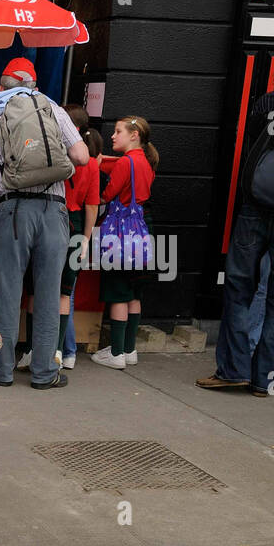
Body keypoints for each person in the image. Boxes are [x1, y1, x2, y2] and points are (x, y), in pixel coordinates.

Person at [0, 57, 89, 389]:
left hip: (13, 212)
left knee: (5, 294)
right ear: (35, 85)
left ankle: (1, 370)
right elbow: (81, 157)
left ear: (1, 86)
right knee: (50, 294)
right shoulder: (54, 110)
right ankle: (44, 372)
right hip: (54, 210)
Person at [199, 87, 274, 397]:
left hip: (258, 204)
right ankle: (263, 379)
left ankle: (232, 371)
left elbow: (253, 143)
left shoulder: (268, 101)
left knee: (239, 289)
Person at [91, 115, 158, 370]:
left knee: (117, 290)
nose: (112, 136)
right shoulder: (148, 162)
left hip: (119, 230)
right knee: (134, 291)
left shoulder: (125, 164)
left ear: (134, 135)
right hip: (141, 227)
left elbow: (108, 195)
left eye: (118, 131)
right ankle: (130, 349)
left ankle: (116, 353)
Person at [59, 104, 103, 369]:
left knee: (49, 289)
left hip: (57, 218)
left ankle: (49, 349)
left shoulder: (60, 151)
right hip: (77, 224)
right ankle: (69, 351)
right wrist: (86, 238)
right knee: (68, 291)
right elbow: (92, 204)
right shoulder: (91, 163)